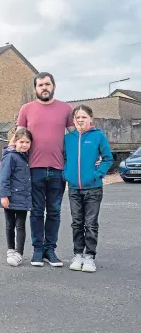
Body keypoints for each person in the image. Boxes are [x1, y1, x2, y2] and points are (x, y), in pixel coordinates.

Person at [16, 72, 75, 267]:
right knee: (36, 212)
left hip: (58, 169)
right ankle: (38, 250)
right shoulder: (26, 109)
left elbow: (75, 138)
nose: (44, 88)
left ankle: (51, 250)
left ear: (54, 86)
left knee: (54, 212)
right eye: (40, 85)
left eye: (47, 84)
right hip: (34, 169)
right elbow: (18, 139)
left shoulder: (66, 109)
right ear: (35, 89)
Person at [63, 105, 113, 273]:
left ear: (91, 119)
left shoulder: (98, 136)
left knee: (90, 224)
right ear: (74, 120)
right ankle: (78, 254)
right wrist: (66, 174)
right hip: (74, 189)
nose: (80, 120)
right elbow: (62, 158)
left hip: (93, 189)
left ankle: (89, 256)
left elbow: (107, 158)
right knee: (77, 223)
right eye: (77, 117)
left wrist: (97, 174)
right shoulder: (68, 138)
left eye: (84, 117)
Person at [0, 128, 33, 267]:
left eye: (27, 142)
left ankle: (19, 253)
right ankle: (10, 249)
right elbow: (4, 177)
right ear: (15, 142)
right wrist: (4, 195)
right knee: (10, 224)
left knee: (21, 225)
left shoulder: (27, 157)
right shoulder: (10, 156)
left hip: (23, 197)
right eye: (21, 141)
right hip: (10, 197)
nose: (24, 145)